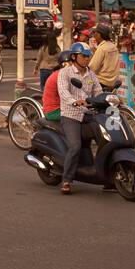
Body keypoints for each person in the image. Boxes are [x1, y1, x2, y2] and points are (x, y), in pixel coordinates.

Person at [55, 42, 102, 195]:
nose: (87, 59)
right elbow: (63, 92)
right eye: (83, 56)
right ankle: (67, 180)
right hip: (71, 115)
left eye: (89, 56)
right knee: (75, 146)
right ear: (74, 56)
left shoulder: (91, 74)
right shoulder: (66, 73)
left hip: (88, 115)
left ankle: (108, 176)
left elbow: (98, 91)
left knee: (105, 140)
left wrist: (106, 100)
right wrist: (75, 101)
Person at [88, 25, 121, 92]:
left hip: (102, 82)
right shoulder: (113, 46)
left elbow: (92, 67)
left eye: (95, 33)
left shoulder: (102, 48)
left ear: (99, 35)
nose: (94, 35)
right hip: (113, 82)